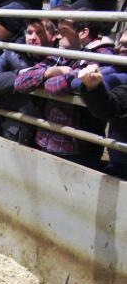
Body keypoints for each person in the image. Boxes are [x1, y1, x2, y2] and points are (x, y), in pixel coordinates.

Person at [14, 14, 114, 168]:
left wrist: (48, 79)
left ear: (83, 32)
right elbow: (20, 82)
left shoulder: (102, 55)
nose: (58, 35)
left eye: (64, 30)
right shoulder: (61, 56)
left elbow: (58, 86)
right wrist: (49, 72)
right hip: (47, 140)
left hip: (78, 149)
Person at [0, 19, 51, 145]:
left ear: (53, 35)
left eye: (39, 32)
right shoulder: (13, 54)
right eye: (29, 33)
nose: (33, 38)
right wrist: (22, 75)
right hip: (18, 131)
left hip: (48, 135)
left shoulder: (59, 59)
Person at [78, 30, 127, 179]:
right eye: (122, 44)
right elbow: (109, 107)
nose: (121, 48)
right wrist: (93, 87)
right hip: (120, 164)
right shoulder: (117, 72)